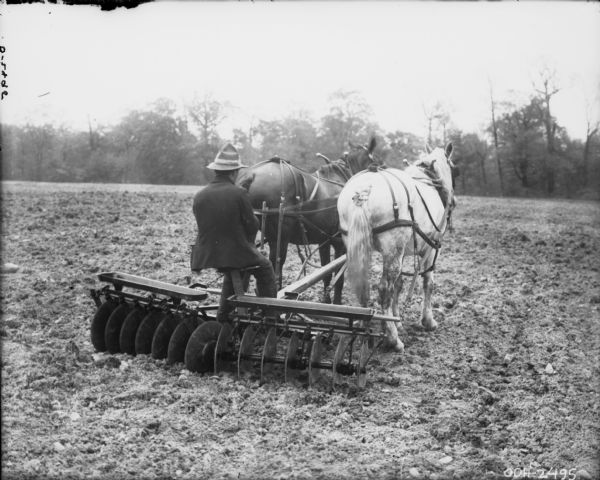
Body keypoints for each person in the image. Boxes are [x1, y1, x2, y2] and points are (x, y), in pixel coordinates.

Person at [191, 143, 277, 322]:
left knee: (234, 269)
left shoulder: (199, 195)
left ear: (216, 171)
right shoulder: (239, 194)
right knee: (266, 268)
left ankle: (223, 316)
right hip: (234, 254)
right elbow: (252, 226)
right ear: (234, 172)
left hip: (207, 255)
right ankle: (270, 317)